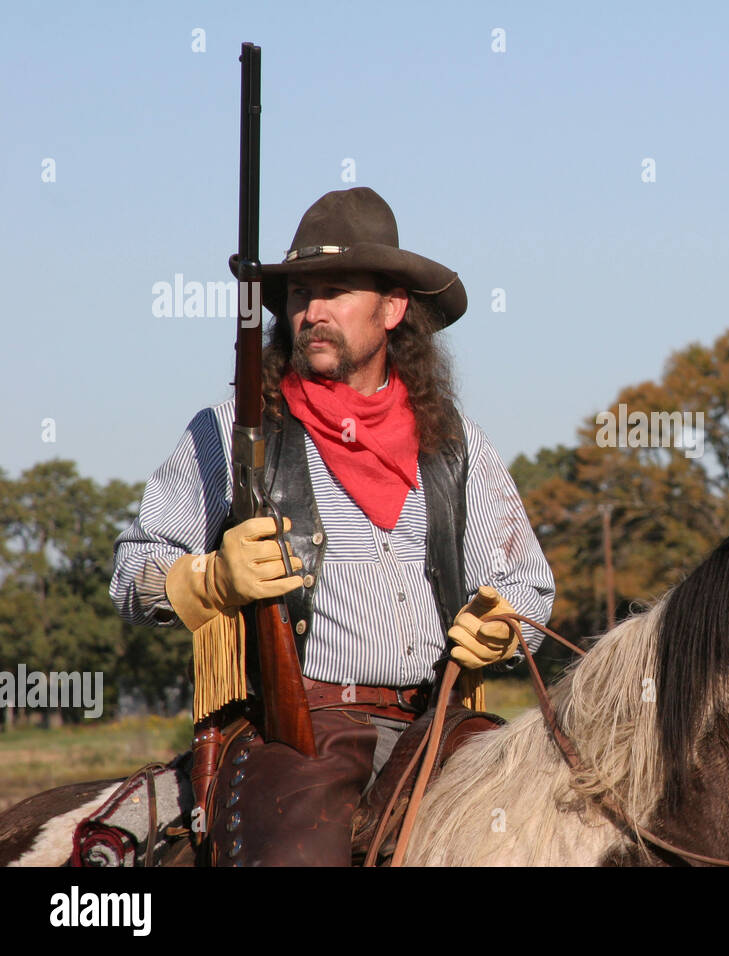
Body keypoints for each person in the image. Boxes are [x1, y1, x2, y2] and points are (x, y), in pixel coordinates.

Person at [110, 186, 555, 865]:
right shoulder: (231, 431)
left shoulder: (459, 443)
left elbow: (527, 585)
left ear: (393, 309)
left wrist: (502, 624)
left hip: (442, 727)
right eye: (297, 296)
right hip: (302, 732)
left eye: (335, 291)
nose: (311, 311)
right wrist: (211, 580)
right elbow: (128, 575)